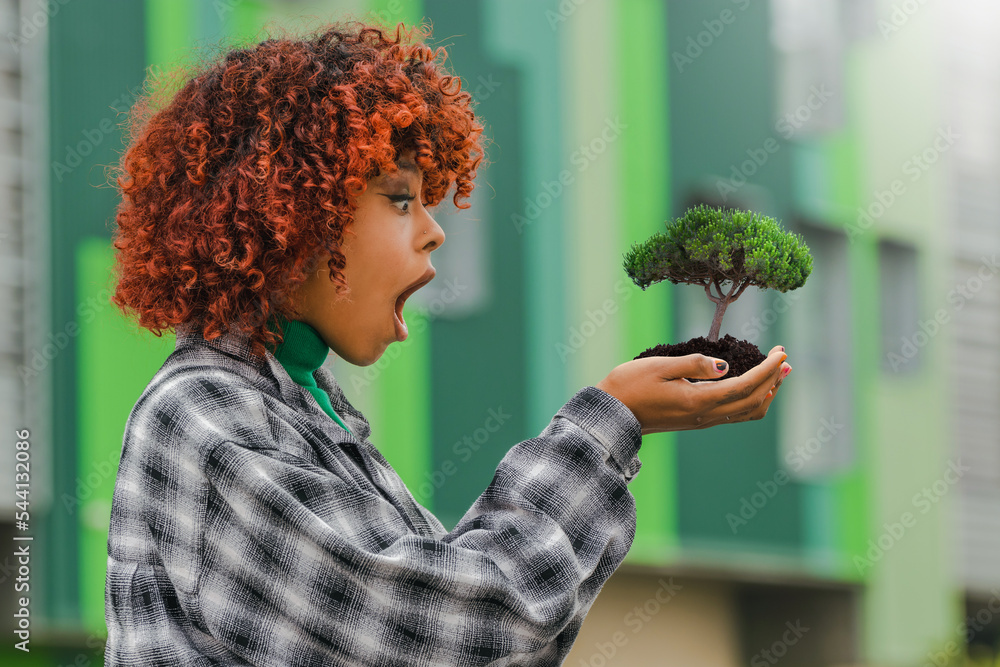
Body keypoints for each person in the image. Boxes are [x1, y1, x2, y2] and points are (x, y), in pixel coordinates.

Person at [104, 20, 790, 667]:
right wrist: (607, 424)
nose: (434, 230)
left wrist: (617, 424)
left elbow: (481, 626)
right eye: (401, 198)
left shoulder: (310, 409)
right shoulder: (206, 418)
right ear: (291, 215)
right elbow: (462, 631)